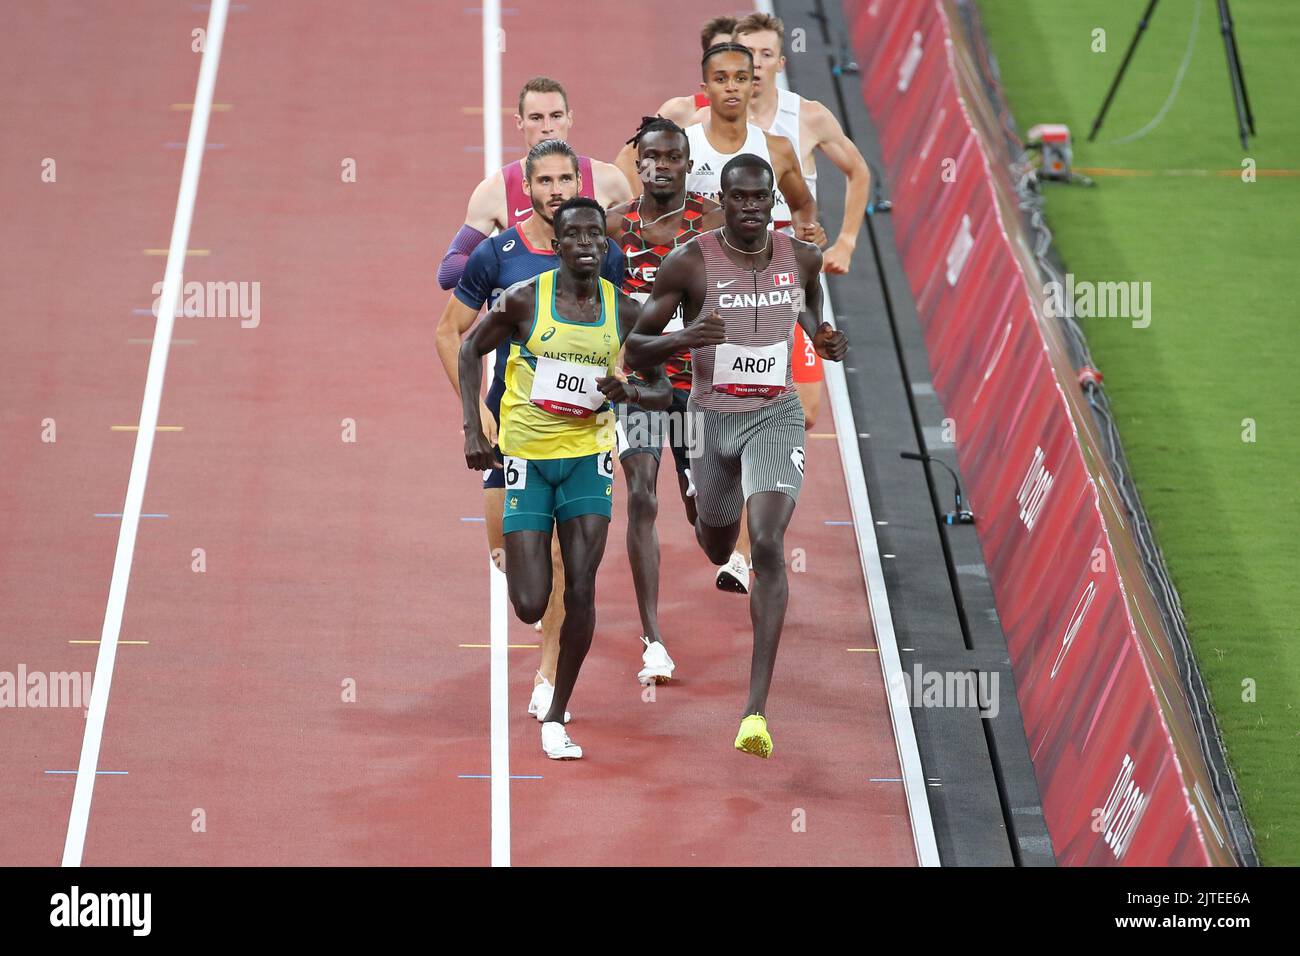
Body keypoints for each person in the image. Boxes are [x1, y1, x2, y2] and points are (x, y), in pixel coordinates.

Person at [625, 155, 848, 759]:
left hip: (773, 416)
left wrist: (822, 338)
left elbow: (809, 309)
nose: (751, 207)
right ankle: (703, 509)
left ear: (771, 200)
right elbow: (635, 346)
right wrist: (685, 337)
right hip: (706, 422)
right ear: (722, 200)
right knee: (716, 544)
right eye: (739, 198)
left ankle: (755, 711)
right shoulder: (690, 260)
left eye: (761, 198)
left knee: (769, 541)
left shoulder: (799, 256)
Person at [460, 197, 672, 759]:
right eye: (573, 236)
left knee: (582, 585)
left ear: (605, 245)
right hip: (527, 458)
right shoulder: (525, 301)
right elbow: (468, 348)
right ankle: (540, 598)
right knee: (531, 603)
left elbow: (663, 389)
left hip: (588, 458)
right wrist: (473, 429)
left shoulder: (624, 311)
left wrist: (631, 391)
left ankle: (557, 711)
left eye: (594, 237)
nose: (584, 245)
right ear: (556, 247)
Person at [435, 140, 624, 724]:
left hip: (584, 435)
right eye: (544, 182)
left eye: (566, 180)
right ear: (529, 189)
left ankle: (548, 672)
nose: (556, 191)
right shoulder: (499, 255)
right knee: (521, 578)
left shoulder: (601, 252)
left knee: (575, 566)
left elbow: (623, 327)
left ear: (578, 184)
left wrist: (624, 377)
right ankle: (541, 619)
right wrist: (476, 415)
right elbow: (451, 335)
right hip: (512, 430)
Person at [606, 116, 724, 685]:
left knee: (708, 528)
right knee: (641, 495)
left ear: (685, 162)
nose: (660, 166)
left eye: (671, 157)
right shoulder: (610, 227)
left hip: (699, 387)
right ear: (638, 159)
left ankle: (720, 523)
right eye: (649, 156)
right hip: (638, 389)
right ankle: (653, 636)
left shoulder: (714, 219)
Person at [438, 76, 632, 291]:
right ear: (520, 122)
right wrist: (510, 258)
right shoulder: (496, 189)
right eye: (536, 118)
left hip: (588, 315)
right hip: (526, 317)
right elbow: (448, 272)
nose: (547, 127)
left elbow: (636, 253)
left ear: (569, 118)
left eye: (556, 116)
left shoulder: (607, 179)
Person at [613, 15, 740, 190]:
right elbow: (629, 159)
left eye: (735, 52)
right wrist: (646, 200)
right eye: (719, 53)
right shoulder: (681, 111)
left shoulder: (773, 115)